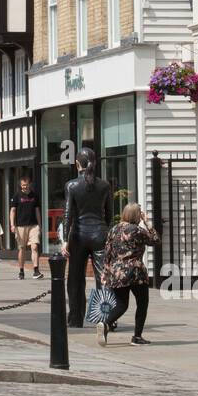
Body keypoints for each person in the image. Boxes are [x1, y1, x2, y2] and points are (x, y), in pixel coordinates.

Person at [61, 147, 112, 328]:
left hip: (79, 235)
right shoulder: (105, 185)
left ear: (77, 164)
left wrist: (65, 240)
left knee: (75, 278)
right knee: (103, 279)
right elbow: (109, 215)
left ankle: (75, 318)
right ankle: (105, 318)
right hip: (100, 233)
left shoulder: (72, 185)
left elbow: (68, 214)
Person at [97, 203, 159, 346]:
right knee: (142, 303)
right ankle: (137, 337)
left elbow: (107, 252)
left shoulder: (113, 230)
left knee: (121, 304)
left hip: (117, 272)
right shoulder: (137, 230)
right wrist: (147, 222)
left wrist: (106, 272)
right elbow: (155, 240)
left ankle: (105, 323)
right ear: (137, 216)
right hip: (135, 272)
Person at [9, 175, 43, 280]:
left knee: (35, 247)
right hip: (20, 226)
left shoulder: (34, 195)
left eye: (26, 185)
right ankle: (21, 271)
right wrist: (12, 224)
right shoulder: (17, 196)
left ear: (29, 184)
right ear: (20, 185)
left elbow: (37, 210)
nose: (24, 187)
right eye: (23, 185)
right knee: (22, 248)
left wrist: (39, 224)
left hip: (33, 225)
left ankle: (36, 271)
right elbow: (12, 211)